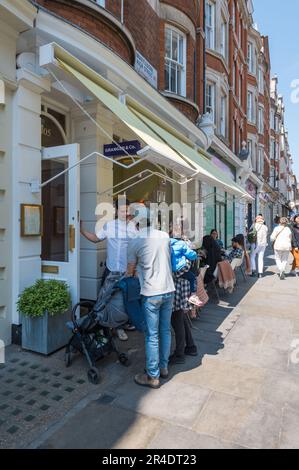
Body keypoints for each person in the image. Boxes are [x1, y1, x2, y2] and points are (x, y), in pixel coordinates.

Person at [127, 206, 175, 389]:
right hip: (168, 289)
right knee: (165, 331)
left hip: (151, 293)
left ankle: (152, 376)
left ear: (137, 221)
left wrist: (135, 271)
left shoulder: (134, 241)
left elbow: (130, 271)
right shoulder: (164, 236)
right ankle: (163, 368)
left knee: (152, 336)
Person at [80, 197, 137, 341]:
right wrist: (81, 230)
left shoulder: (133, 227)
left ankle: (120, 326)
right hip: (111, 270)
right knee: (105, 299)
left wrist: (133, 270)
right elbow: (95, 238)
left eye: (127, 210)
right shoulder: (109, 225)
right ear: (116, 211)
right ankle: (108, 327)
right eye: (122, 210)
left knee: (123, 301)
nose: (125, 213)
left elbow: (138, 250)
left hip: (126, 272)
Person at [170, 260, 198, 364]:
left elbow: (182, 269)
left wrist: (172, 271)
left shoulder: (179, 249)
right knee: (181, 318)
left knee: (177, 321)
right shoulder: (185, 248)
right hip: (184, 288)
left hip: (179, 288)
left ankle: (179, 354)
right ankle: (191, 346)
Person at [170, 236, 203, 307]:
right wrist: (195, 254)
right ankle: (193, 296)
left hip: (172, 271)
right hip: (181, 268)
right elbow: (191, 255)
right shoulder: (181, 243)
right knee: (193, 277)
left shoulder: (168, 244)